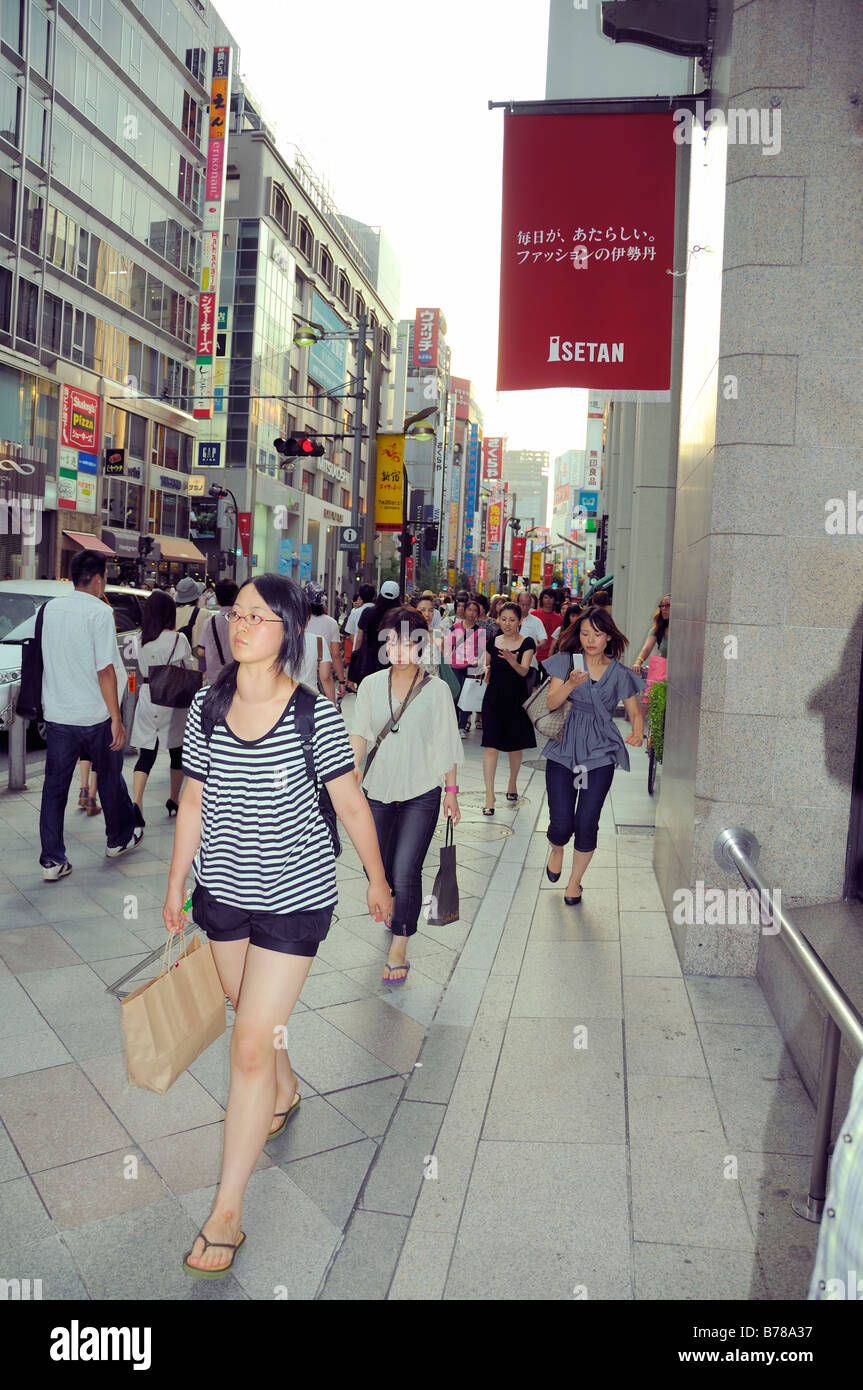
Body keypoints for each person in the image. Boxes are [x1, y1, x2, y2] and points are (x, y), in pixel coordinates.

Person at [165, 573, 393, 1277]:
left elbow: (351, 805)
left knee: (247, 1050)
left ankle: (226, 1210)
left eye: (259, 618)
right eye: (238, 615)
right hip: (224, 893)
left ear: (289, 631)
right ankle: (285, 1084)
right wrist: (175, 881)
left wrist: (377, 880)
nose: (242, 626)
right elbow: (195, 802)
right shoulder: (207, 706)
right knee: (250, 1020)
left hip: (295, 896)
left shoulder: (313, 715)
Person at [348, 605, 462, 983]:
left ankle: (400, 944)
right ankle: (394, 900)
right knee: (375, 866)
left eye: (409, 641)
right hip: (377, 789)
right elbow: (360, 735)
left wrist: (452, 791)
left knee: (405, 869)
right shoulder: (369, 686)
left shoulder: (437, 690)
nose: (400, 648)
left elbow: (446, 742)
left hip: (421, 790)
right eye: (392, 640)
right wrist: (352, 776)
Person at [38, 550, 142, 880]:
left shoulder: (49, 609)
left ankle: (52, 861)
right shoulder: (99, 612)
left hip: (57, 714)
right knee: (110, 778)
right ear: (98, 579)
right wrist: (116, 717)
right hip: (96, 715)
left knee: (54, 787)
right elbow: (105, 670)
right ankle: (118, 839)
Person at [542, 606, 644, 904]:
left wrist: (638, 731)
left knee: (587, 821)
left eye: (597, 635)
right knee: (562, 822)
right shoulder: (566, 663)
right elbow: (550, 703)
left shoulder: (620, 673)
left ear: (608, 638)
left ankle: (574, 883)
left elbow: (635, 712)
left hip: (598, 754)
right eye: (585, 633)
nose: (589, 640)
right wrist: (572, 684)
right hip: (564, 751)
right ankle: (557, 848)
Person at [130, 590, 198, 823]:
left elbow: (141, 671)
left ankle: (137, 801)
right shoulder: (179, 639)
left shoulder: (142, 639)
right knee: (176, 752)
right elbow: (187, 667)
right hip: (172, 698)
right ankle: (173, 799)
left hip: (148, 696)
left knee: (146, 753)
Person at [479, 601, 536, 814]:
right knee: (490, 746)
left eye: (512, 620)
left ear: (520, 621)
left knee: (514, 746)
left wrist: (513, 660)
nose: (508, 623)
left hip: (516, 700)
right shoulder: (493, 641)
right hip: (493, 698)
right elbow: (488, 663)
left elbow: (524, 671)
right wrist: (486, 669)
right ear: (498, 619)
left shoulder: (527, 642)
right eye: (504, 619)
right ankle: (489, 796)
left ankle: (512, 783)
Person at [447, 598, 485, 735]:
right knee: (456, 695)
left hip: (472, 665)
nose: (472, 613)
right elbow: (447, 646)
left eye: (475, 611)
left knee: (468, 696)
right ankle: (454, 723)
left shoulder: (480, 630)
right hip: (455, 664)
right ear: (464, 611)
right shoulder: (455, 627)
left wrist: (478, 665)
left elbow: (481, 651)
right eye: (470, 609)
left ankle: (462, 726)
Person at [304, 581, 346, 701]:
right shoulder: (331, 623)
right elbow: (336, 655)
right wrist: (342, 681)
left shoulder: (297, 622)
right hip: (322, 673)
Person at [353, 581, 400, 685]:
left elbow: (359, 639)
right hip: (392, 664)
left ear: (379, 595)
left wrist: (356, 657)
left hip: (368, 663)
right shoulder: (401, 616)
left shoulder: (368, 612)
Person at [199, 580, 238, 685]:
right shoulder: (241, 621)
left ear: (217, 598)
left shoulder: (209, 622)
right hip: (237, 678)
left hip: (214, 679)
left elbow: (201, 652)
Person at [345, 583, 375, 690]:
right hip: (375, 654)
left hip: (359, 653)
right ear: (374, 596)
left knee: (361, 685)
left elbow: (351, 634)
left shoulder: (355, 612)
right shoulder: (378, 611)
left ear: (361, 597)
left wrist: (356, 649)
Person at [632, 595, 671, 671]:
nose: (663, 608)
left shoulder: (684, 630)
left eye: (667, 605)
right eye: (661, 605)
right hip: (662, 673)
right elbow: (646, 648)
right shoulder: (658, 628)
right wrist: (638, 662)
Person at [516, 591, 548, 671]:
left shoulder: (536, 621)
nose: (525, 608)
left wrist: (536, 647)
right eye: (522, 604)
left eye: (528, 605)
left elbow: (543, 640)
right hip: (512, 663)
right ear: (517, 603)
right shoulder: (510, 619)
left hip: (530, 664)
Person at [531, 587, 563, 663]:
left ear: (555, 600)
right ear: (541, 599)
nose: (548, 600)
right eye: (545, 597)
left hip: (550, 656)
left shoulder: (559, 619)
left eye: (551, 598)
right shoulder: (533, 615)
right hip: (534, 655)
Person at [173, 576, 204, 646]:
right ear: (197, 598)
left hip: (173, 653)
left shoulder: (171, 612)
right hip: (196, 654)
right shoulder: (204, 613)